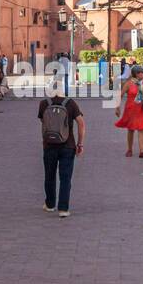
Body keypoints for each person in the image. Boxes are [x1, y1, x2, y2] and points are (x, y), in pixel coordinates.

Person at [38, 89, 85, 217]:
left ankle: (50, 204)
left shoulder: (43, 103)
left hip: (49, 145)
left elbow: (43, 123)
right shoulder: (71, 103)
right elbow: (81, 123)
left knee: (49, 176)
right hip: (68, 145)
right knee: (65, 178)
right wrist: (80, 143)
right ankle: (63, 209)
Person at [114, 63, 143, 157]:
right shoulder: (129, 83)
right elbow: (120, 95)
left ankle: (142, 151)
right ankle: (129, 149)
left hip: (141, 108)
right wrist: (117, 108)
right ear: (137, 74)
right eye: (142, 73)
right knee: (131, 129)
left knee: (141, 129)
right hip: (131, 109)